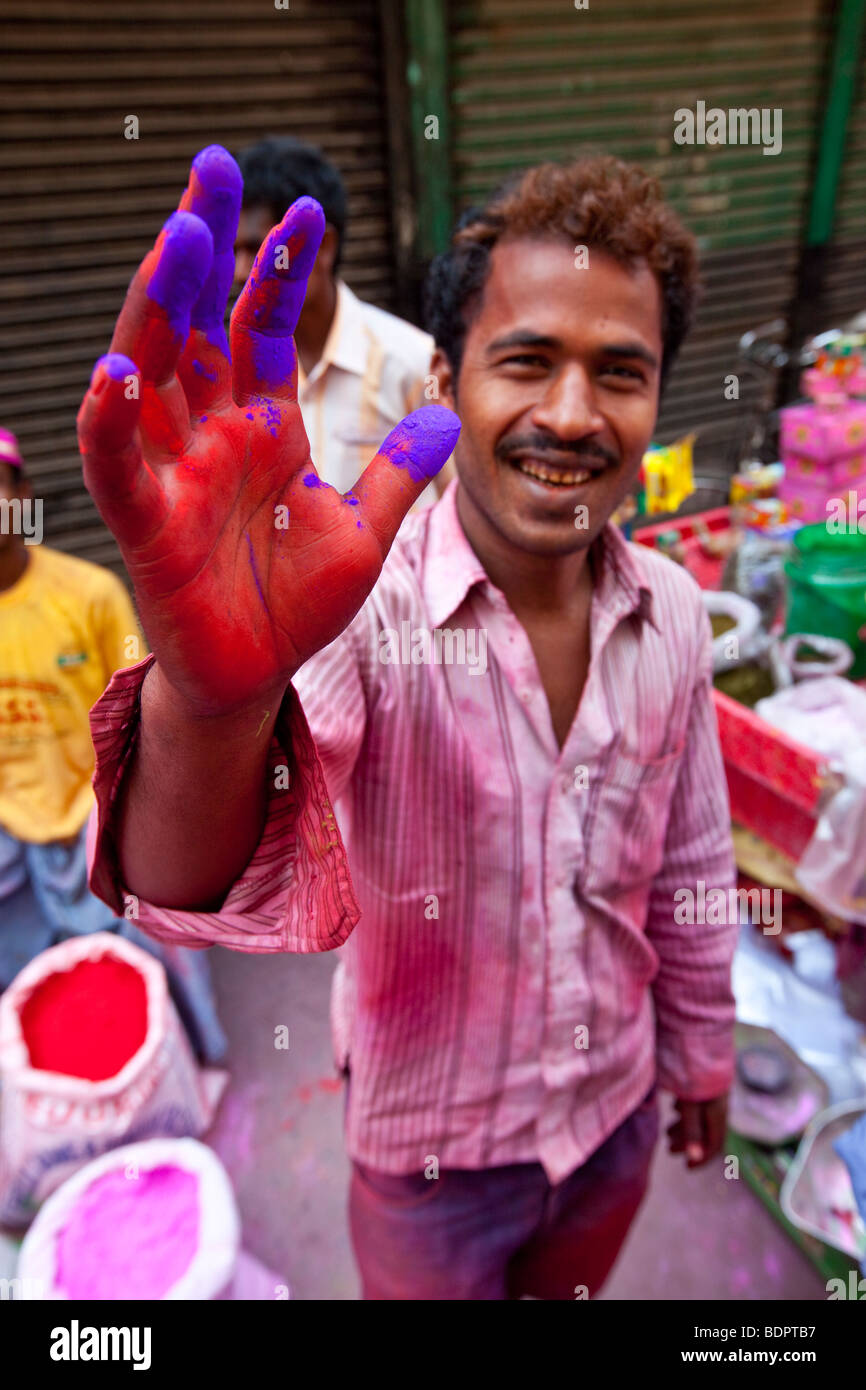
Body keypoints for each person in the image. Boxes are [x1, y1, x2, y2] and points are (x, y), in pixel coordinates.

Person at [78, 144, 738, 1300]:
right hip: (429, 1161)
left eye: (619, 373)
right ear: (444, 380)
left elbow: (688, 863)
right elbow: (183, 893)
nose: (571, 415)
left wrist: (699, 1048)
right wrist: (212, 706)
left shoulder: (674, 610)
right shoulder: (360, 610)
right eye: (525, 360)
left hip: (612, 1122)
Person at [0, 430, 226, 1063]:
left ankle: (192, 1068)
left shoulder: (88, 595)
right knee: (43, 1001)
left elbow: (140, 714)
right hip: (9, 836)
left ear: (22, 495)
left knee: (148, 973)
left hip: (96, 813)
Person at [234, 135, 454, 504]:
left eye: (257, 249)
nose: (242, 272)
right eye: (235, 251)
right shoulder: (237, 375)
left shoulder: (413, 362)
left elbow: (458, 508)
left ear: (324, 247)